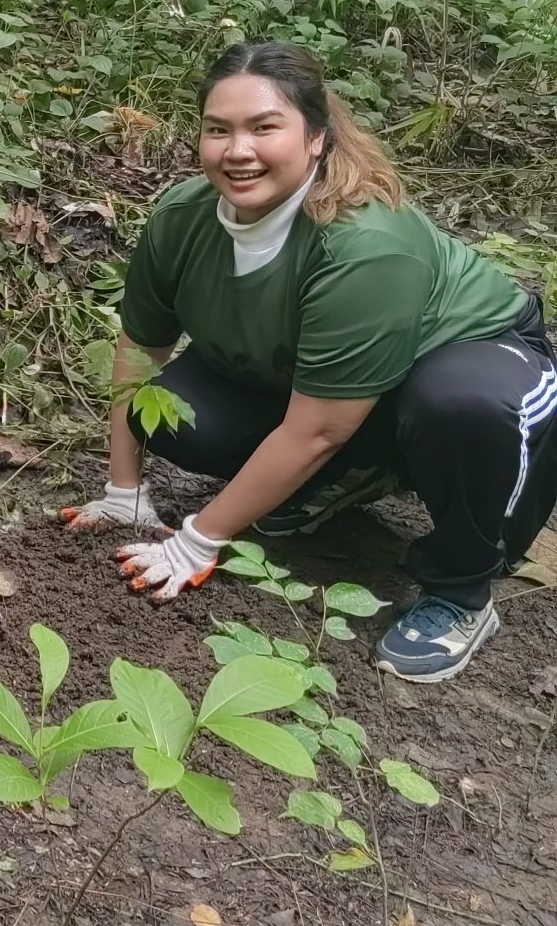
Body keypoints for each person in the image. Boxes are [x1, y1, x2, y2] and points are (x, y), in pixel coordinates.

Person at [65, 41, 555, 683]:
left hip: (469, 360)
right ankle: (361, 471)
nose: (238, 150)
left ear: (316, 138)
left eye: (264, 127)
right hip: (330, 385)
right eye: (218, 130)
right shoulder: (183, 217)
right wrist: (123, 492)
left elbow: (318, 428)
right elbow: (140, 349)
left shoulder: (364, 245)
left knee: (459, 405)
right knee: (179, 415)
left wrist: (196, 541)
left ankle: (461, 590)